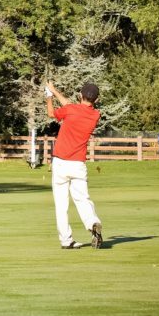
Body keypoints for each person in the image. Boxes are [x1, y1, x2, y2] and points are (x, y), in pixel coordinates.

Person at [45, 81, 104, 249]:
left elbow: (51, 113)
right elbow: (70, 106)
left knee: (61, 205)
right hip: (78, 164)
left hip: (60, 163)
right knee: (82, 198)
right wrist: (55, 90)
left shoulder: (71, 110)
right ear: (96, 100)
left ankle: (66, 240)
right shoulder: (95, 115)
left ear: (80, 95)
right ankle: (92, 222)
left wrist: (49, 96)